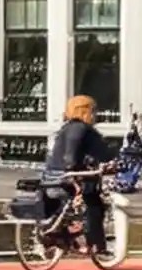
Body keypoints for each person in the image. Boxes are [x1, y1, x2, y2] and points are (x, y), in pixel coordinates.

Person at [43, 95, 114, 254]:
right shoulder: (82, 129)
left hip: (51, 176)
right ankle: (97, 245)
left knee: (70, 206)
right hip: (68, 176)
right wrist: (74, 171)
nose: (96, 115)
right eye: (93, 111)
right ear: (85, 111)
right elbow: (97, 152)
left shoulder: (65, 128)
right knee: (95, 204)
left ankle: (64, 235)